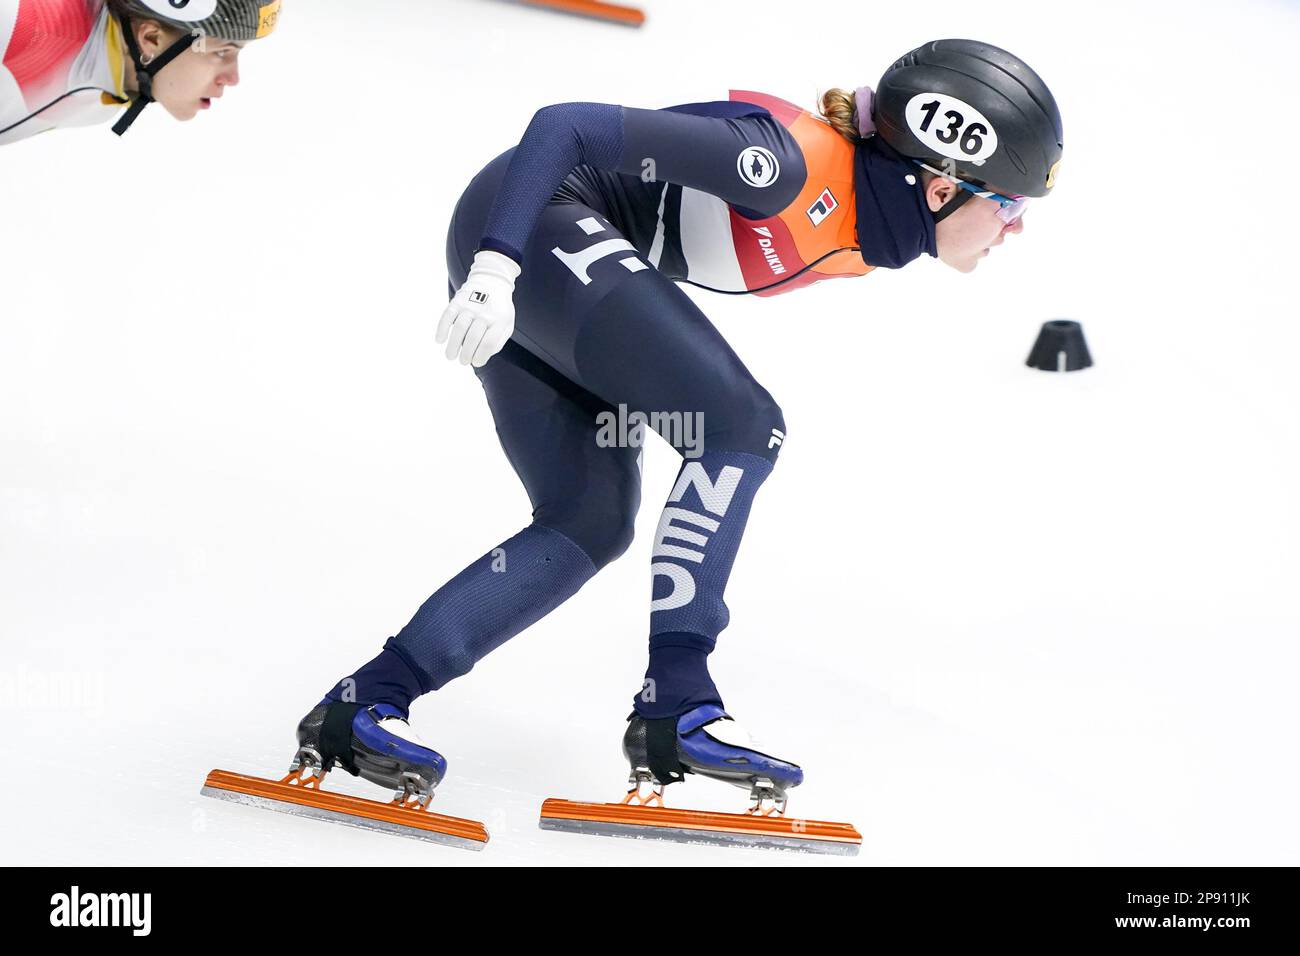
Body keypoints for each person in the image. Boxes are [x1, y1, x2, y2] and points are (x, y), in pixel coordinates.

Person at [295, 38, 1064, 813]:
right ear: (940, 187)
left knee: (589, 520)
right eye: (1011, 204)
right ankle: (676, 702)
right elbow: (565, 125)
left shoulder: (873, 214)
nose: (1016, 227)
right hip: (531, 229)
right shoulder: (783, 164)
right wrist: (497, 269)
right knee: (742, 423)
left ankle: (362, 703)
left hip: (550, 252)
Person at [0, 0, 280, 145]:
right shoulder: (22, 27)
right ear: (152, 39)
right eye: (222, 52)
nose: (233, 78)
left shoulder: (115, 83)